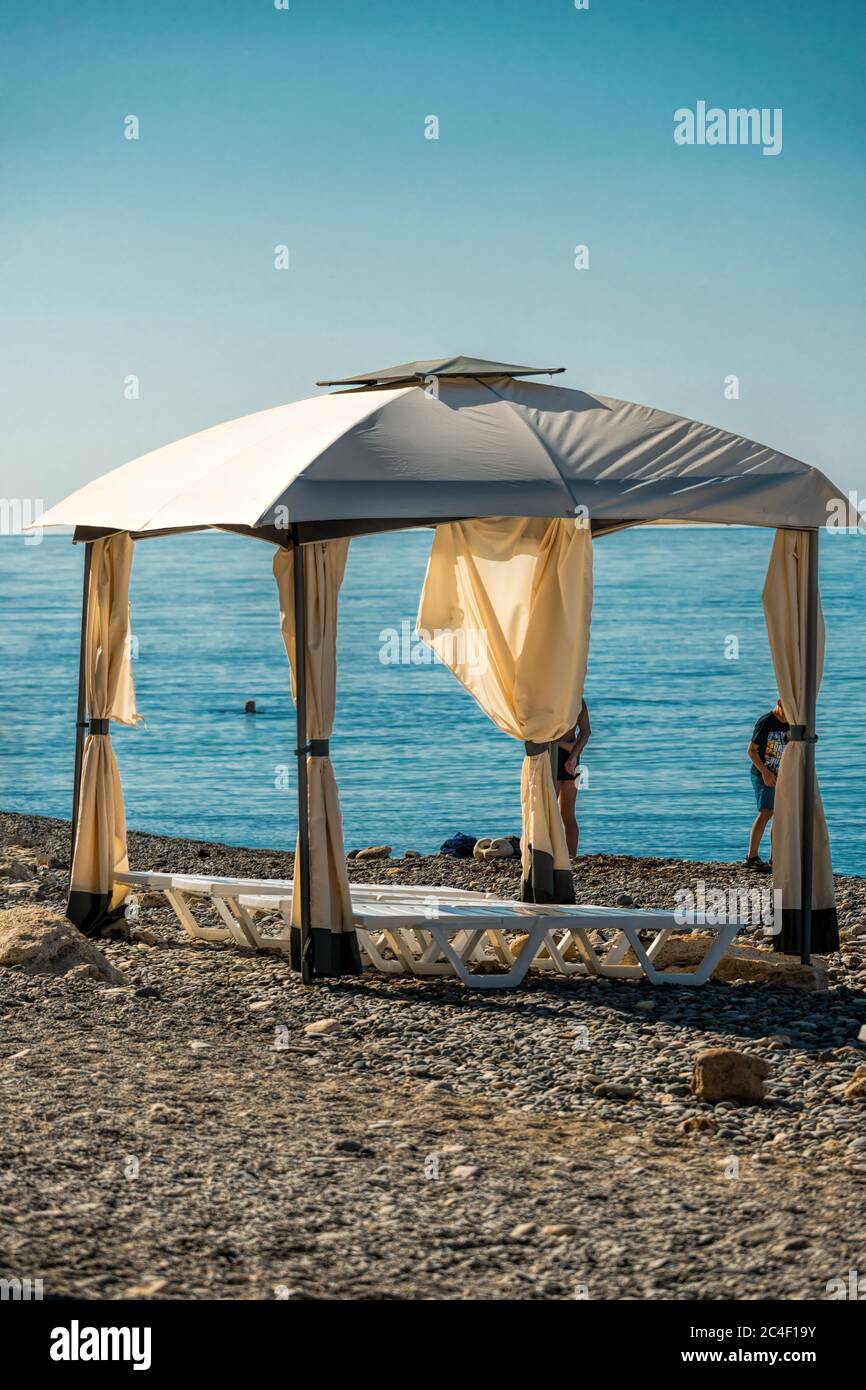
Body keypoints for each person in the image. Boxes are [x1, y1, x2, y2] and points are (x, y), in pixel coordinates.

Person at [745, 696, 789, 872]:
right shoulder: (766, 722)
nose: (788, 717)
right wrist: (765, 772)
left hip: (782, 776)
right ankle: (751, 857)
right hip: (763, 774)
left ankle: (775, 859)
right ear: (779, 705)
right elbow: (751, 751)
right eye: (786, 712)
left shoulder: (792, 722)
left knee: (779, 817)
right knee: (766, 813)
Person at [556, 698, 590, 857]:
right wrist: (574, 754)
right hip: (573, 757)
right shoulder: (578, 701)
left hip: (553, 756)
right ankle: (571, 857)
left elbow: (547, 736)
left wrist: (566, 747)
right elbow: (586, 732)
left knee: (549, 813)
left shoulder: (554, 697)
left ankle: (550, 855)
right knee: (568, 815)